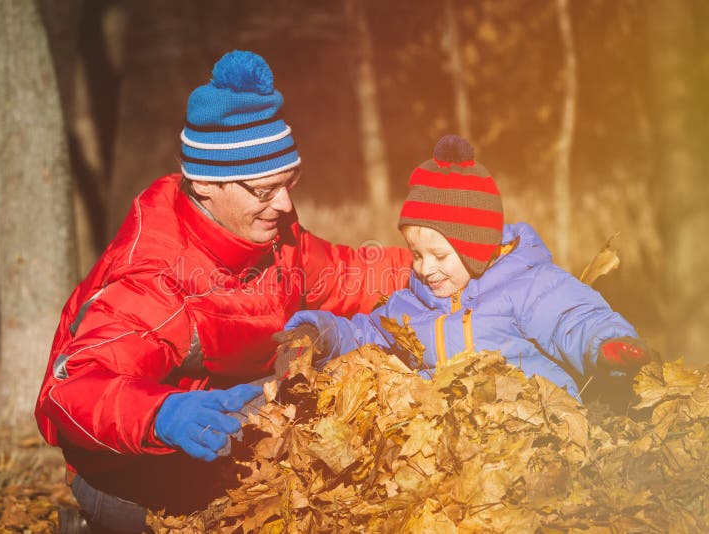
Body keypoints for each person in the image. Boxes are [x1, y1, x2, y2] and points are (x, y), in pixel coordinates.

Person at [34, 50, 411, 532]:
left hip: (231, 441)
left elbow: (348, 274)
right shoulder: (155, 277)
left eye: (289, 183)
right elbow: (67, 394)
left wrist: (446, 261)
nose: (285, 202)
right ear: (207, 185)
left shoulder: (274, 238)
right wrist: (160, 413)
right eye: (264, 190)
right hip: (128, 470)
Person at [284, 134, 649, 400]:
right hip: (457, 441)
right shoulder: (413, 303)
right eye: (416, 254)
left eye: (440, 256)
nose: (426, 269)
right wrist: (322, 333)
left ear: (478, 249)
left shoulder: (526, 285)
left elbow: (573, 318)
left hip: (535, 425)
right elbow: (368, 335)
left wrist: (606, 345)